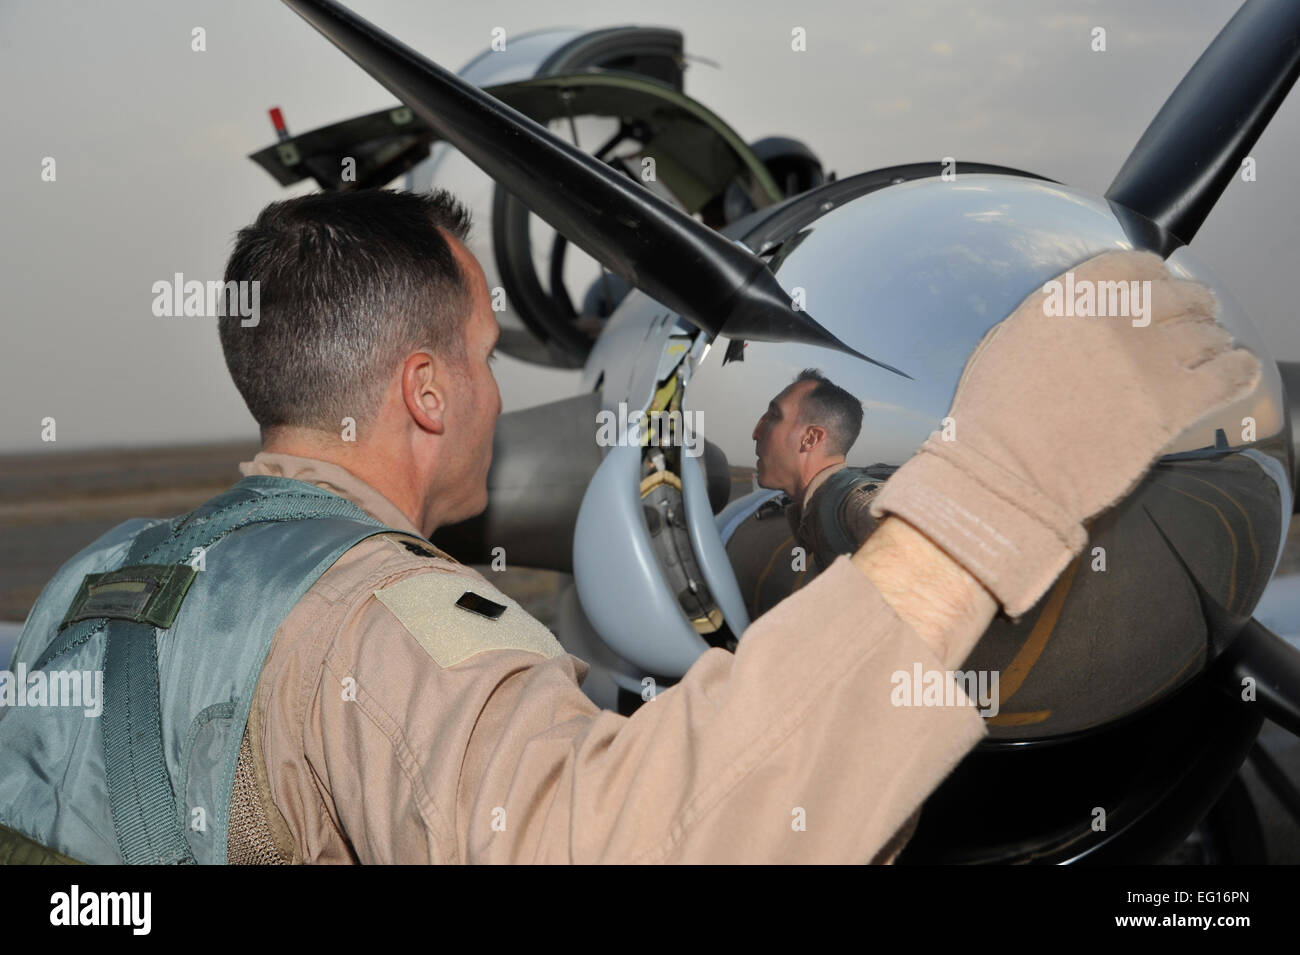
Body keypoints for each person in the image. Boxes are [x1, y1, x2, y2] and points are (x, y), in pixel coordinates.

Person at [0, 188, 1259, 864]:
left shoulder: (94, 576)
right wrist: (996, 492)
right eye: (488, 356)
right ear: (426, 393)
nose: (506, 398)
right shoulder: (383, 629)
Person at [753, 368, 885, 572]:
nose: (756, 432)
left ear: (810, 439)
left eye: (773, 416)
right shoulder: (818, 505)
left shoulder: (853, 501)